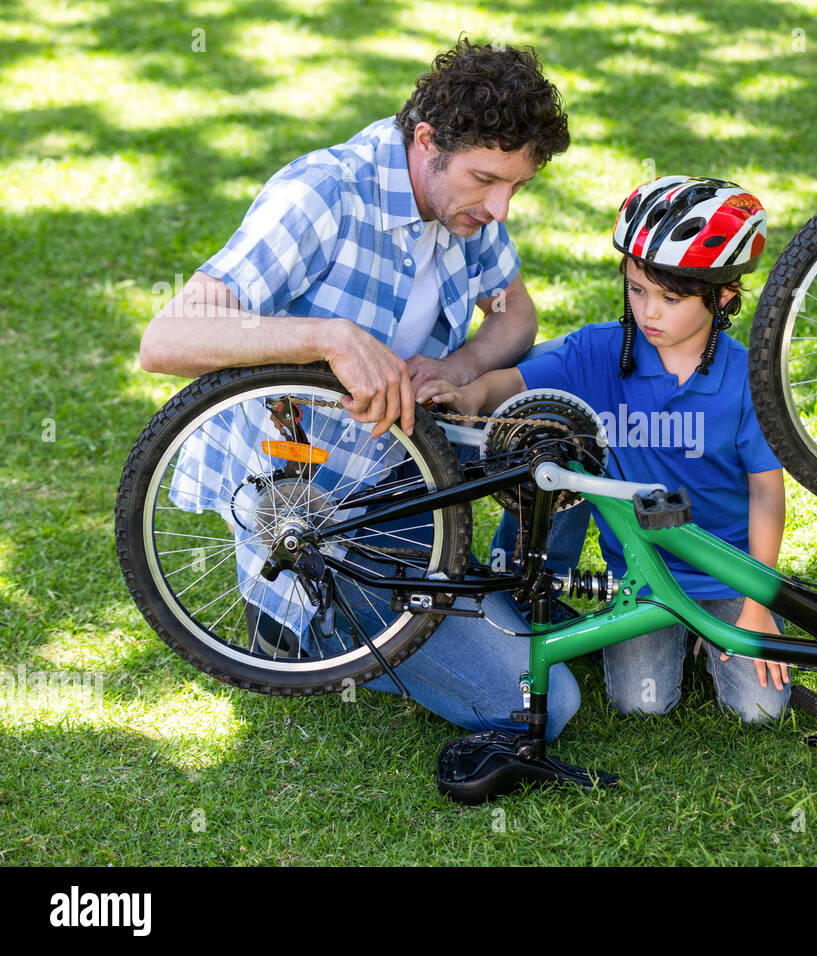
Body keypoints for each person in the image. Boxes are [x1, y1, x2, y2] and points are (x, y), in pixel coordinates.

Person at [137, 38, 581, 742]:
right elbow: (167, 340)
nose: (500, 208)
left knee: (573, 400)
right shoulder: (323, 194)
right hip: (318, 527)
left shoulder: (464, 206)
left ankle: (510, 584)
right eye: (486, 180)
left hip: (412, 477)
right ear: (427, 141)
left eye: (516, 188)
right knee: (545, 704)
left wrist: (462, 366)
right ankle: (311, 624)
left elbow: (515, 316)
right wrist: (328, 337)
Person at [426, 175, 791, 724]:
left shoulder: (749, 379)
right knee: (640, 703)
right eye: (637, 289)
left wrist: (757, 606)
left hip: (727, 576)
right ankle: (661, 630)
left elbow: (767, 493)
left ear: (723, 297)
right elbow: (515, 383)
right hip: (641, 579)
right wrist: (469, 390)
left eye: (671, 298)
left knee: (759, 712)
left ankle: (715, 631)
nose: (649, 313)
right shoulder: (599, 352)